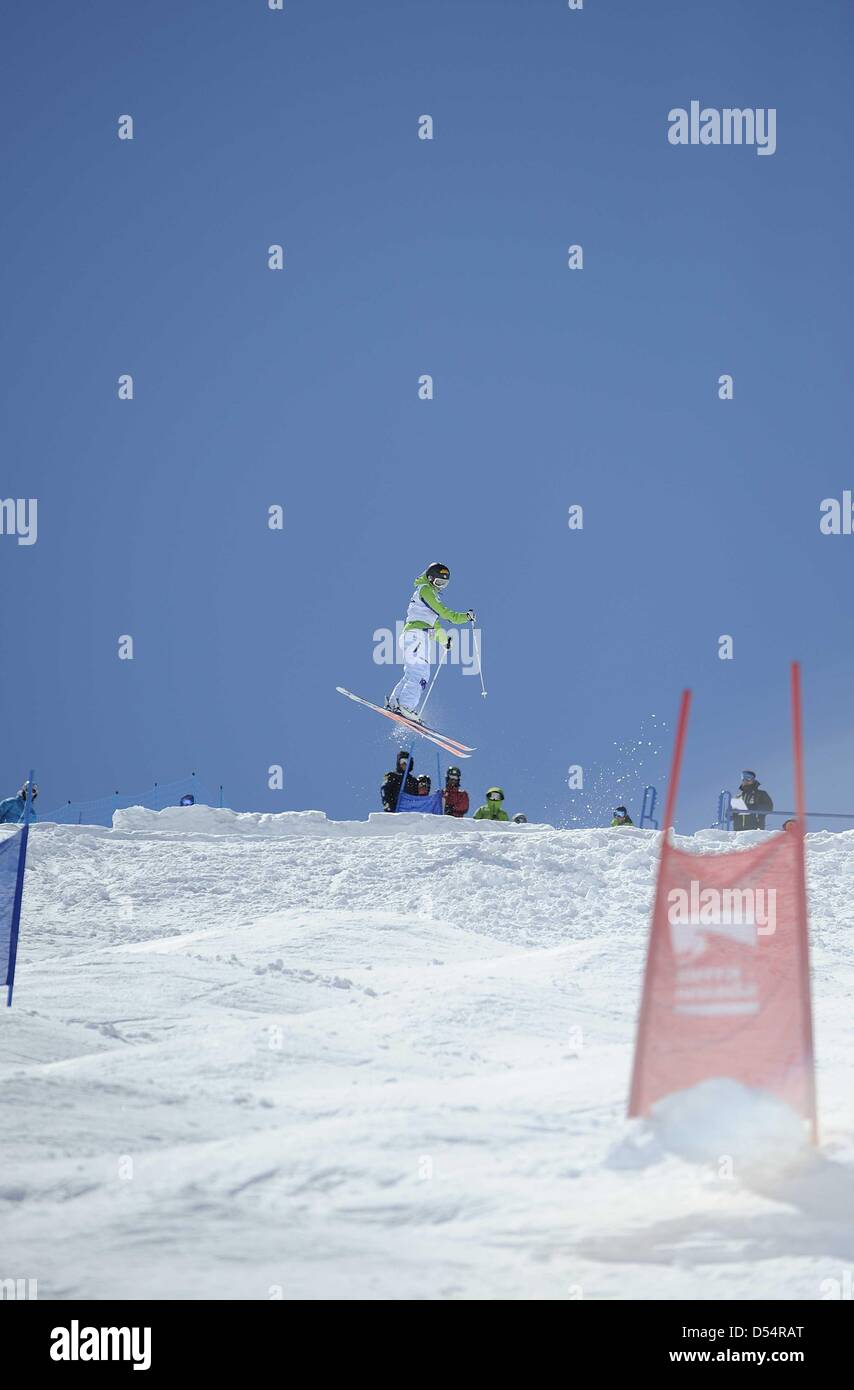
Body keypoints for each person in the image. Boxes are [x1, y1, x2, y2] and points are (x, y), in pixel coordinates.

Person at [386, 564, 475, 721]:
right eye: (439, 583)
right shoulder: (426, 590)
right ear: (430, 579)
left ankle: (395, 703)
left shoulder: (428, 594)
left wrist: (444, 640)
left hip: (415, 635)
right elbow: (446, 613)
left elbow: (435, 625)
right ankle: (406, 706)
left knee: (412, 673)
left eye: (444, 584)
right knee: (420, 673)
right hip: (417, 636)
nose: (441, 587)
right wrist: (465, 617)